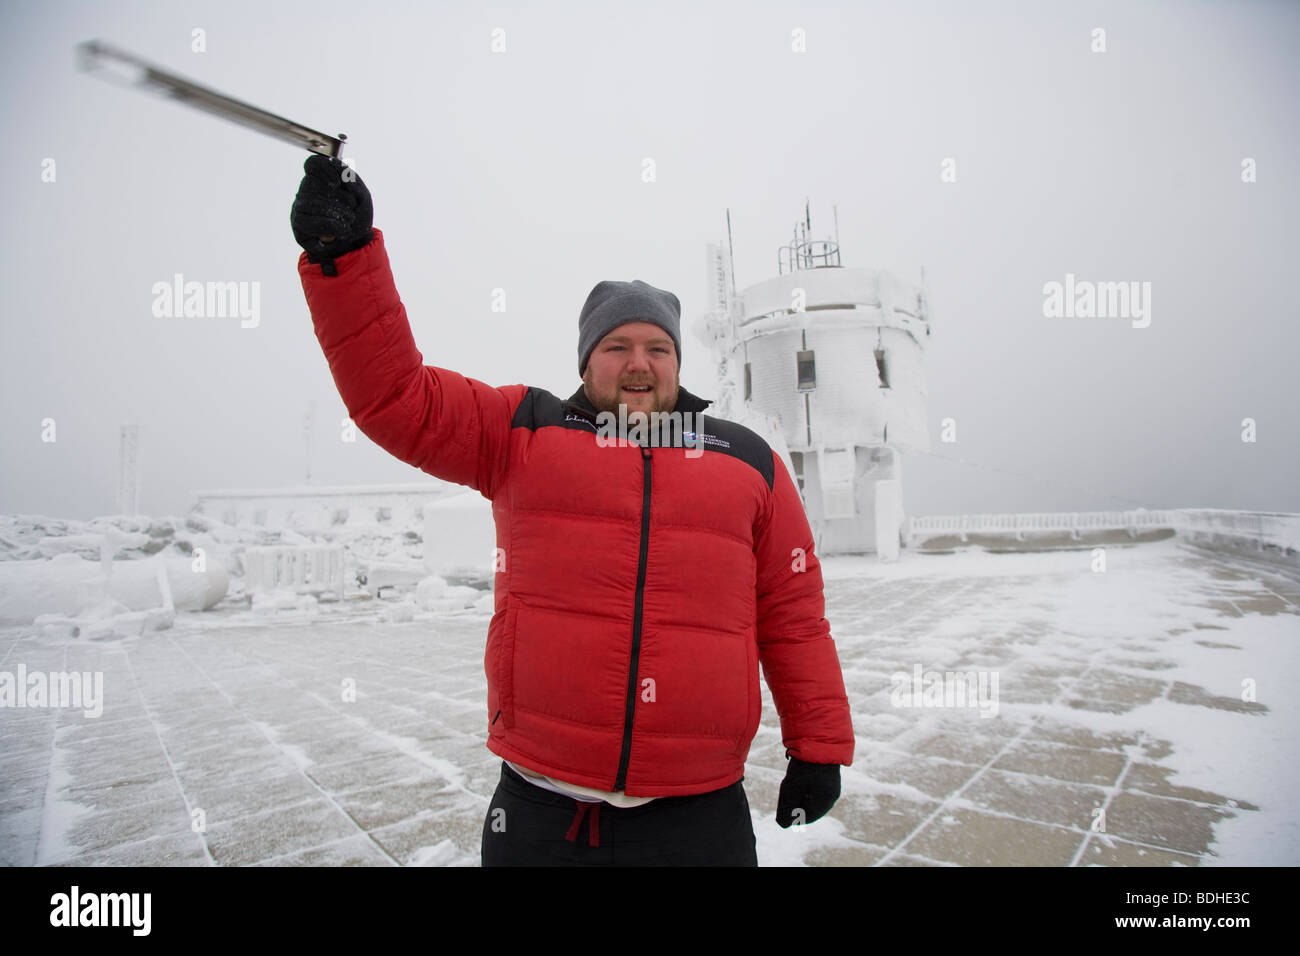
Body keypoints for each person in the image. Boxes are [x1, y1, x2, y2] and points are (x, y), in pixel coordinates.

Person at [291, 155, 854, 866]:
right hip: (542, 812)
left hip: (700, 813)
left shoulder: (746, 458)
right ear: (587, 362)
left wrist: (818, 747)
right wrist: (344, 260)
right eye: (617, 346)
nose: (639, 362)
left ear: (679, 363)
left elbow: (793, 615)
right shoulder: (523, 431)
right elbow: (396, 401)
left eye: (656, 346)